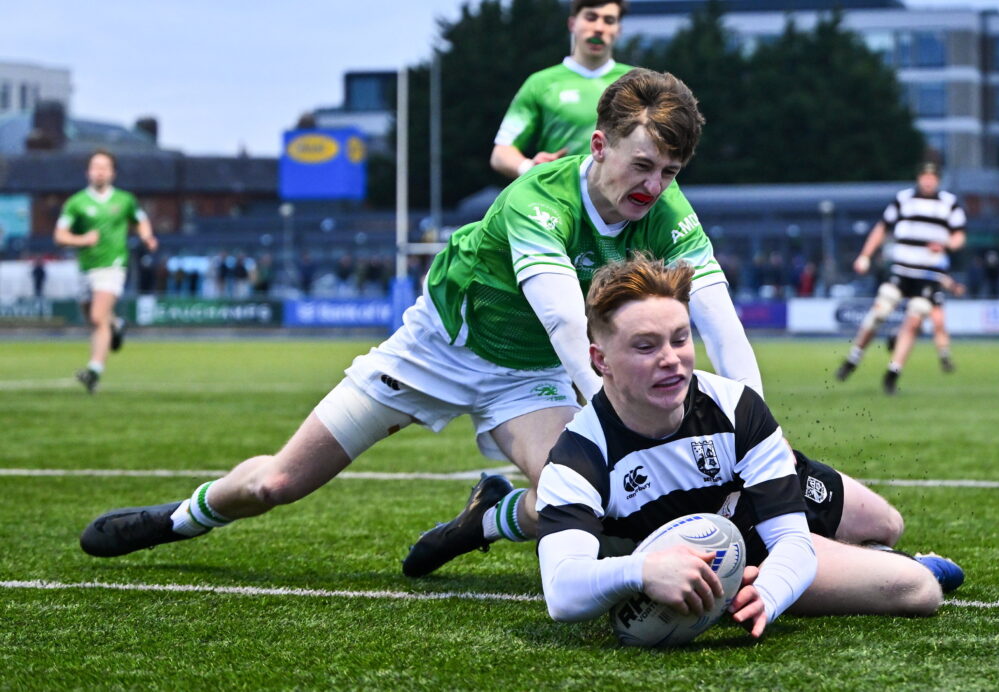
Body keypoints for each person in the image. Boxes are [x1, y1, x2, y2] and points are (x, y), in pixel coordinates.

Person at [78, 70, 762, 582]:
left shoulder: (669, 212)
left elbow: (721, 322)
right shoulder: (536, 200)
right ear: (598, 143)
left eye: (669, 172)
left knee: (587, 495)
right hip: (438, 350)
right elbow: (562, 320)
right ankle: (178, 520)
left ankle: (486, 518)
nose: (652, 187)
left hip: (526, 378)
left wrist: (759, 437)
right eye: (642, 165)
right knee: (275, 485)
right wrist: (617, 428)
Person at [537, 254, 963, 638]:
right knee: (918, 589)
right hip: (737, 548)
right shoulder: (579, 456)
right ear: (600, 360)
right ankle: (897, 564)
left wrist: (771, 593)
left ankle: (867, 555)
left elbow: (792, 542)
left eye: (680, 339)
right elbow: (562, 591)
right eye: (645, 346)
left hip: (756, 499)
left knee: (886, 523)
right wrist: (645, 570)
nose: (670, 359)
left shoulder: (735, 406)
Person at [835, 162, 966, 394]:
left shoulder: (949, 203)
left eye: (932, 177)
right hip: (902, 269)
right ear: (918, 177)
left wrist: (945, 244)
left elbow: (959, 237)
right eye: (924, 176)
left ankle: (892, 373)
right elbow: (881, 228)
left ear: (938, 180)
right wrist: (865, 255)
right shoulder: (903, 199)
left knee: (914, 321)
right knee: (879, 312)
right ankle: (853, 358)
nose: (928, 181)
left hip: (929, 274)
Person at [490, 0, 632, 180]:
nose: (599, 28)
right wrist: (529, 167)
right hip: (560, 201)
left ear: (618, 30)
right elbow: (501, 153)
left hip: (622, 203)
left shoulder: (637, 82)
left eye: (609, 21)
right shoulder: (540, 83)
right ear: (572, 24)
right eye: (591, 18)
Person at [53, 150, 158, 393]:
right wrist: (82, 240)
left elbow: (140, 220)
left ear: (112, 172)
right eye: (95, 167)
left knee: (97, 318)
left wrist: (147, 236)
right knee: (90, 314)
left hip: (113, 266)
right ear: (88, 172)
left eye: (104, 167)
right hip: (85, 268)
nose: (99, 171)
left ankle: (94, 371)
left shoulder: (124, 200)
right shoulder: (76, 203)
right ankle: (117, 324)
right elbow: (59, 236)